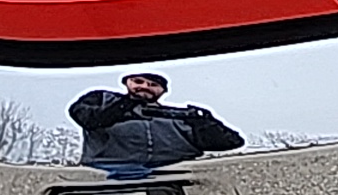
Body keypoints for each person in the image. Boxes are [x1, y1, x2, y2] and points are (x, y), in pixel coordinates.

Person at [68, 73, 244, 176]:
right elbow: (84, 117)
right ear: (127, 83)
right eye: (138, 82)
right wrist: (124, 107)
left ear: (163, 91)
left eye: (153, 85)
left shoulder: (180, 117)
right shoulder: (102, 101)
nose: (145, 86)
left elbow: (230, 142)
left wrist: (205, 122)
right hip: (110, 174)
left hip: (173, 175)